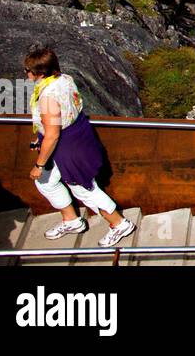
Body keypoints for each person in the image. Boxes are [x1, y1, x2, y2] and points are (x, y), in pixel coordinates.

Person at [24, 48, 136, 247]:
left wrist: (39, 164)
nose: (26, 73)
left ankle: (119, 223)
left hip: (67, 146)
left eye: (28, 70)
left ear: (40, 73)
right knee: (46, 182)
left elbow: (53, 133)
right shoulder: (64, 79)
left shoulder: (48, 96)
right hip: (77, 134)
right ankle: (72, 220)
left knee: (84, 188)